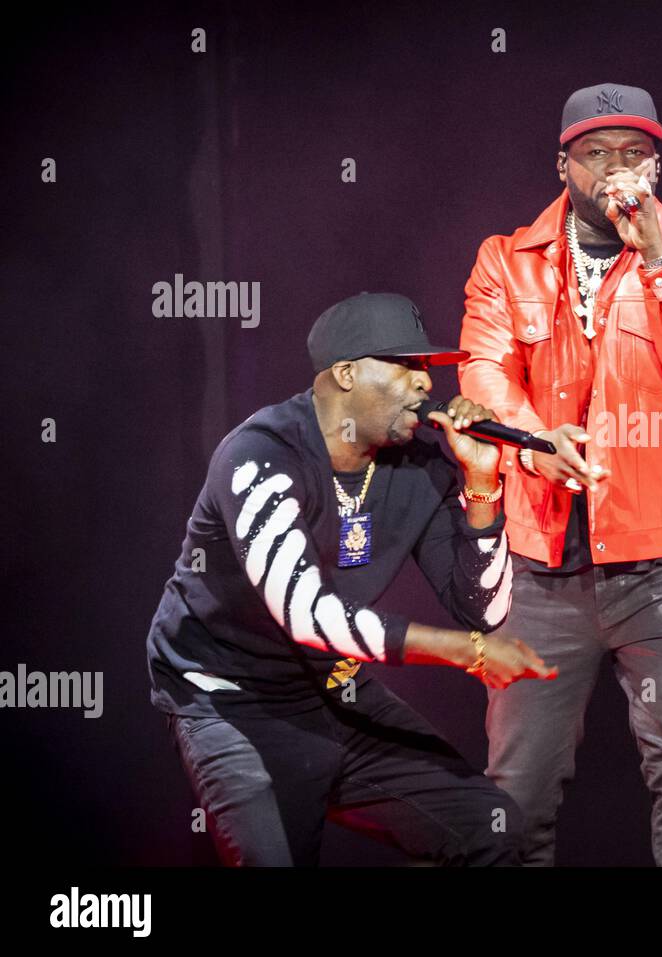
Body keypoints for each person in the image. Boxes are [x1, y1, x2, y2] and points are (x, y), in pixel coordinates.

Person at [147, 291, 555, 866]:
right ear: (344, 373)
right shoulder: (259, 456)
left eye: (427, 369)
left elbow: (484, 612)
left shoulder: (421, 465)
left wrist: (483, 485)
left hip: (334, 684)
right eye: (406, 365)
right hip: (232, 699)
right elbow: (305, 614)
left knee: (491, 828)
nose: (424, 383)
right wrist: (460, 651)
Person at [457, 83, 662, 865]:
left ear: (656, 166)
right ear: (564, 164)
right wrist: (529, 439)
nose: (617, 171)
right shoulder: (505, 259)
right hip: (541, 563)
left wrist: (660, 260)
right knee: (516, 792)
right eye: (597, 154)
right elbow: (483, 369)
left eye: (635, 155)